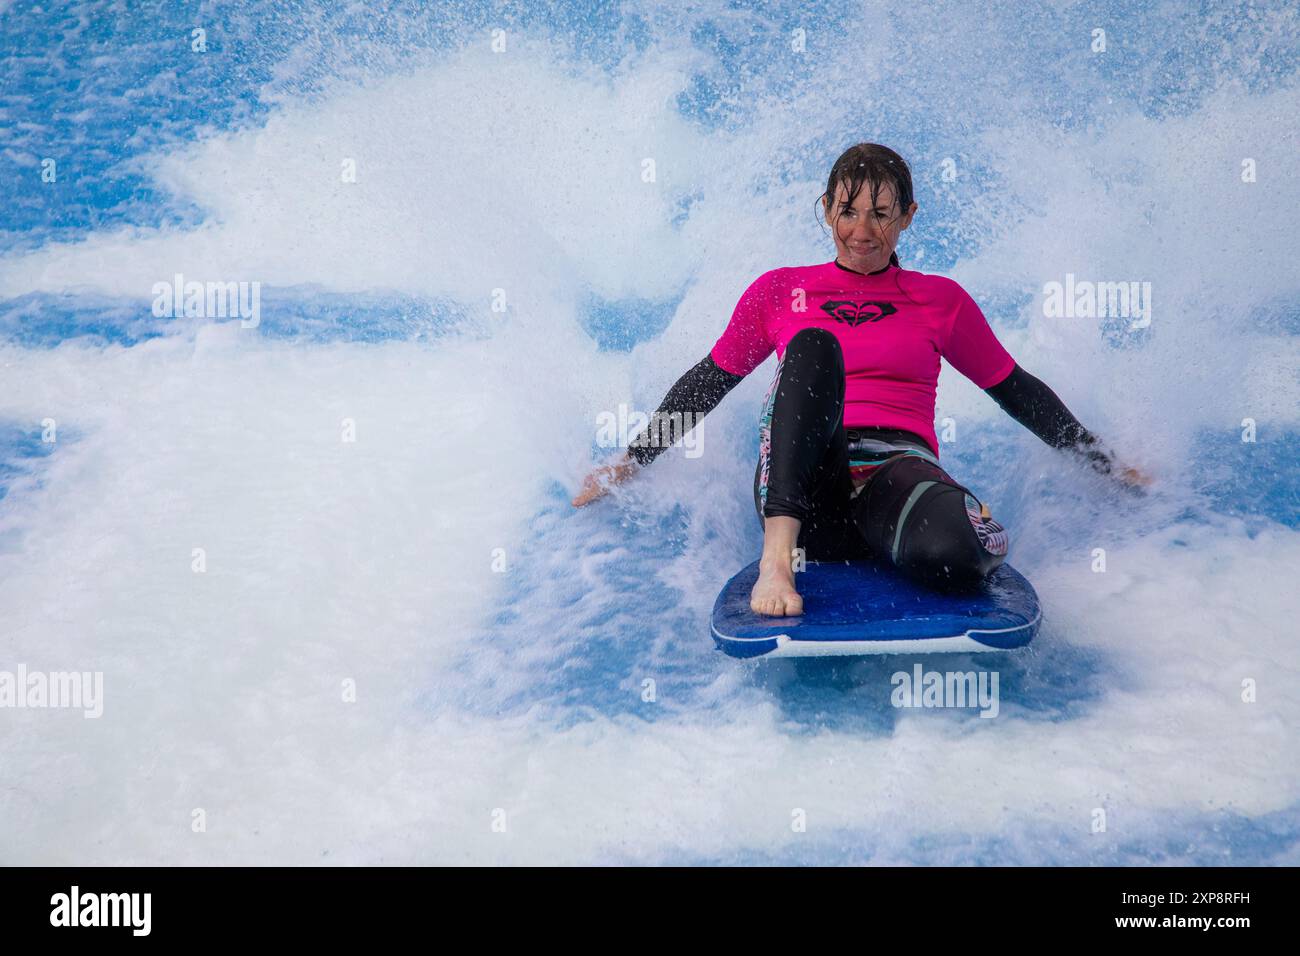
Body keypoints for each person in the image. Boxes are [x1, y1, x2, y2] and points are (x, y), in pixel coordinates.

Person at [573, 143, 1150, 617]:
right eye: (848, 211)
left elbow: (1015, 388)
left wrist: (1102, 460)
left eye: (881, 213)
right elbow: (708, 381)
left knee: (959, 558)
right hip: (803, 493)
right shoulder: (781, 291)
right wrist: (631, 461)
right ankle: (777, 558)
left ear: (908, 216)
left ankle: (949, 524)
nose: (863, 230)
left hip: (893, 478)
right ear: (827, 210)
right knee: (814, 346)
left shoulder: (939, 300)